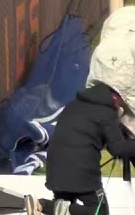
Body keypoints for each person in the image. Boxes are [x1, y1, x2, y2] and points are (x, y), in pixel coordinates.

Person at [45, 78, 135, 214]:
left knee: (62, 209)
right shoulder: (106, 112)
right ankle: (49, 207)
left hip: (55, 169)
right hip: (82, 173)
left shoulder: (72, 105)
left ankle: (57, 208)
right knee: (99, 212)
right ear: (116, 97)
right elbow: (118, 148)